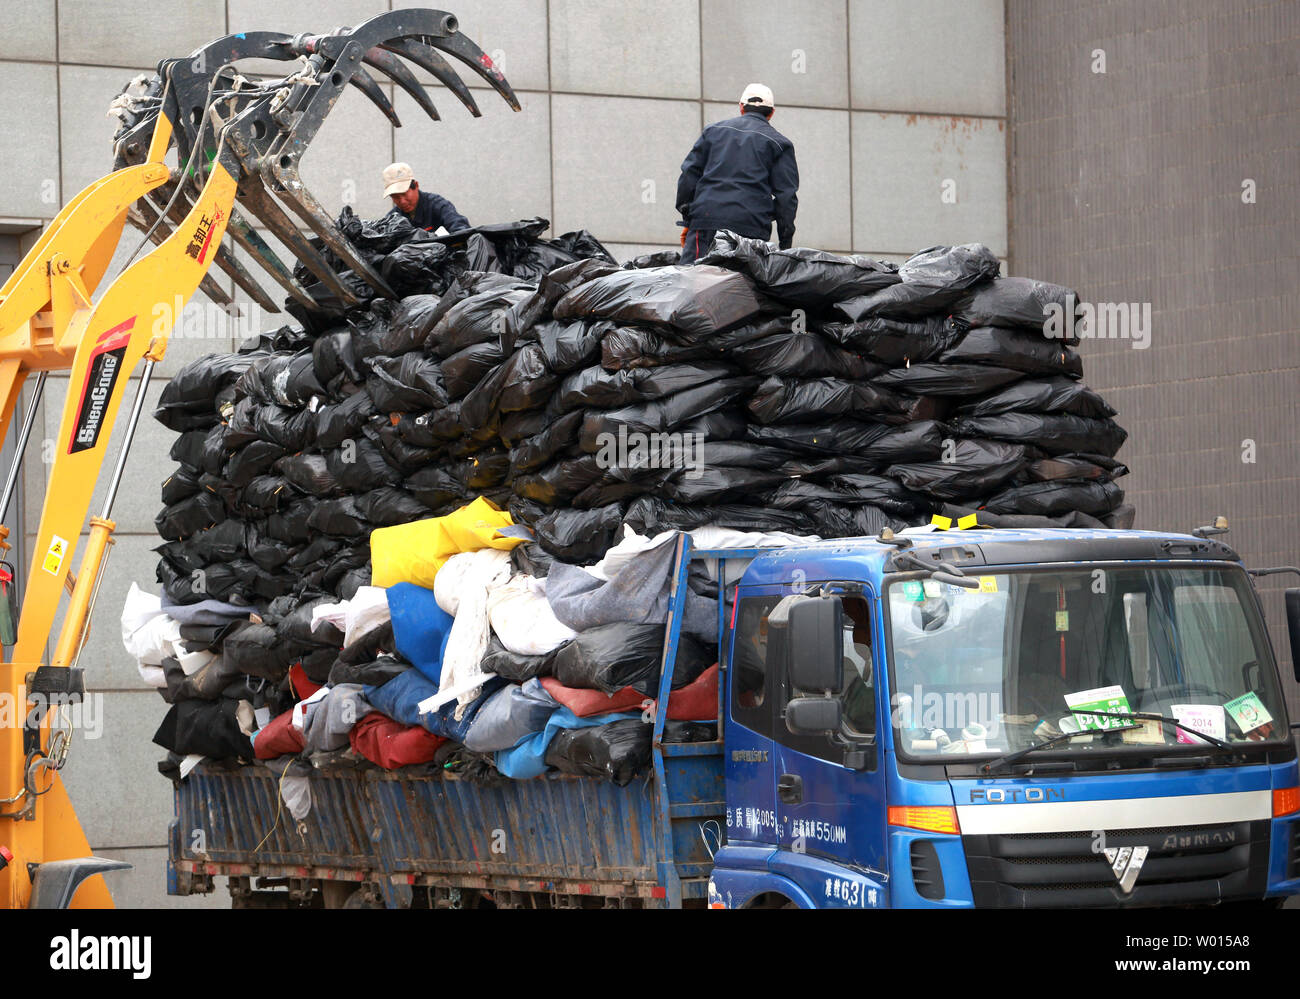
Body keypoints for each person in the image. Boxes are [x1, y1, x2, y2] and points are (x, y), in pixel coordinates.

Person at [675, 83, 799, 265]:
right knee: (740, 288)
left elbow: (689, 173)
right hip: (751, 228)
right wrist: (785, 245)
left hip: (707, 220)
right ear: (771, 112)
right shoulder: (780, 144)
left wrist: (689, 219)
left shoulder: (712, 132)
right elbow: (786, 199)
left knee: (690, 281)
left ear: (741, 107)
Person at [382, 162, 471, 233]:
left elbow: (459, 227)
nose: (402, 201)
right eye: (395, 197)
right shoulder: (392, 219)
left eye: (404, 194)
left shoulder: (438, 205)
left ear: (416, 186)